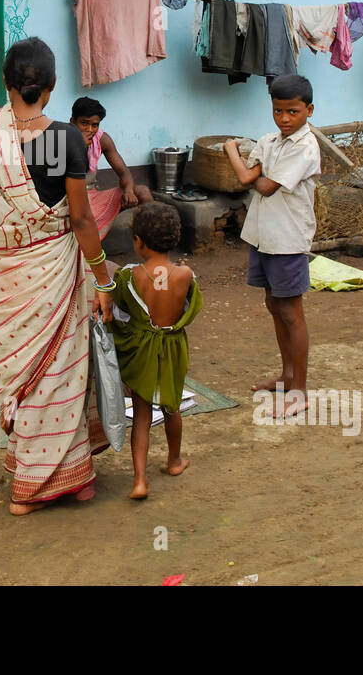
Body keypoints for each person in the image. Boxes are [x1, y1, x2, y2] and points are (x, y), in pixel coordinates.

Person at [0, 36, 114, 516]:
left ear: (5, 82)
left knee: (33, 372)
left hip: (4, 273)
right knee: (60, 369)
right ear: (53, 85)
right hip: (54, 268)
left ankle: (70, 472)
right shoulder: (66, 138)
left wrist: (6, 234)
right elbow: (81, 220)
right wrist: (103, 280)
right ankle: (36, 487)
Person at [222, 74, 321, 418]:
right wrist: (237, 155)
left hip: (288, 239)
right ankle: (287, 375)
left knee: (292, 312)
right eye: (278, 111)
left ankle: (300, 390)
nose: (284, 118)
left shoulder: (306, 147)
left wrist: (232, 151)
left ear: (309, 110)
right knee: (274, 305)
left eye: (292, 112)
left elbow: (262, 186)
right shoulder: (270, 140)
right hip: (263, 235)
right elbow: (248, 177)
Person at [107, 203, 202, 499]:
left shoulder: (129, 276)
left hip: (142, 353)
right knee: (172, 407)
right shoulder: (185, 275)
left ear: (138, 241)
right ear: (175, 239)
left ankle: (139, 481)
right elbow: (191, 306)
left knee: (142, 415)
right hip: (172, 350)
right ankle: (174, 461)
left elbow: (120, 311)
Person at [70, 96, 153, 237]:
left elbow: (123, 171)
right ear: (73, 122)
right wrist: (78, 146)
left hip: (93, 196)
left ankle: (153, 244)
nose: (89, 129)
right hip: (70, 200)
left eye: (95, 125)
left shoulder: (102, 139)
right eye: (84, 123)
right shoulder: (61, 137)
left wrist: (128, 191)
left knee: (143, 192)